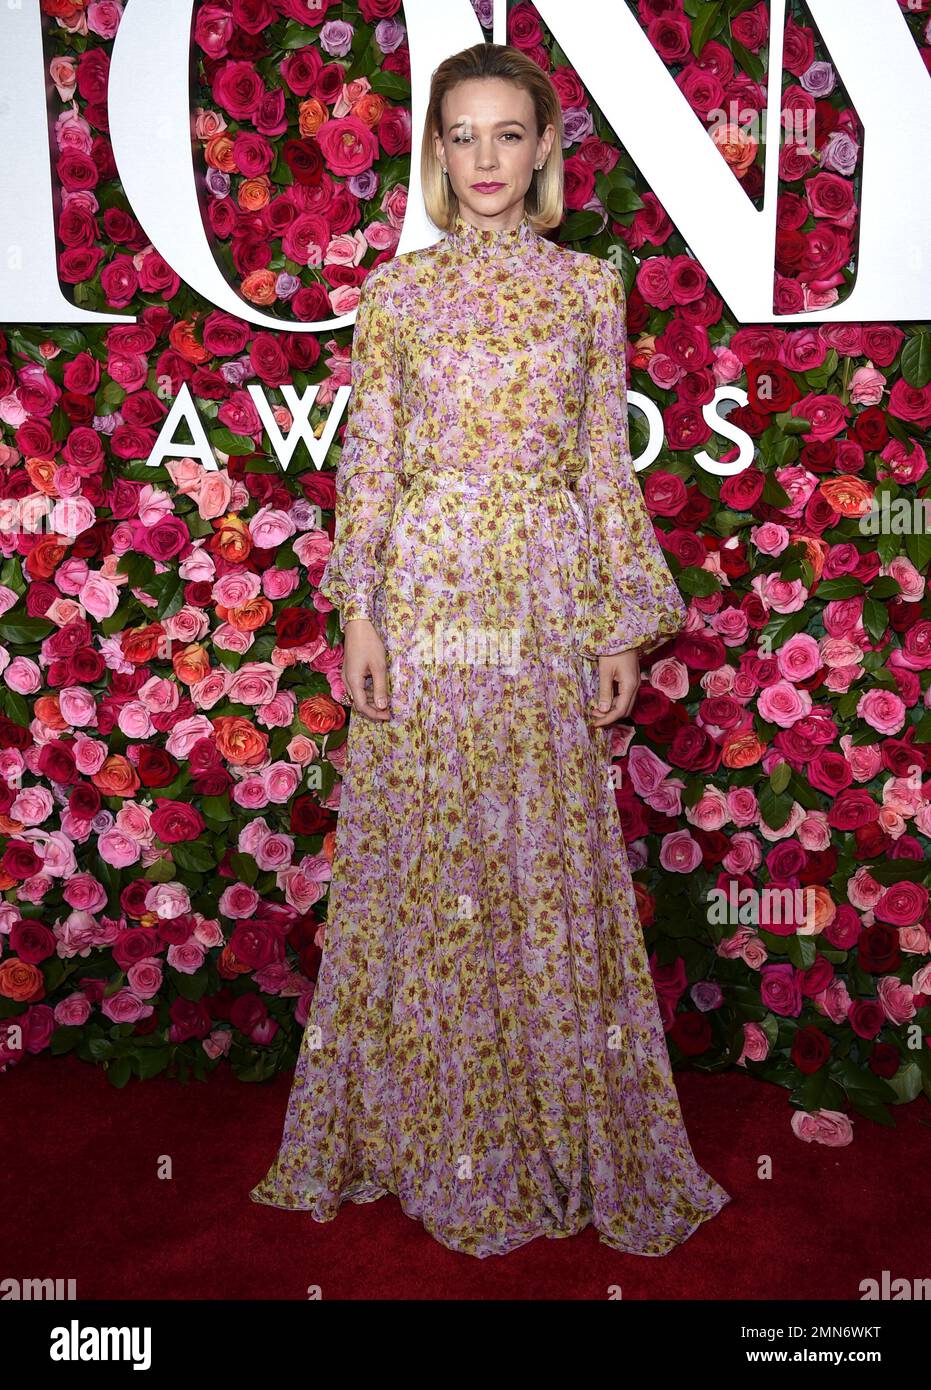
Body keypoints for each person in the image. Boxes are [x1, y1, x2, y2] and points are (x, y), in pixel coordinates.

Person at [249, 41, 731, 1258]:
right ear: (432, 153)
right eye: (460, 135)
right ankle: (427, 1123)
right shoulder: (398, 296)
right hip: (425, 584)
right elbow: (372, 464)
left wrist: (621, 617)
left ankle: (554, 1122)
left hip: (544, 588)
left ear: (544, 151)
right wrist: (358, 608)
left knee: (538, 846)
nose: (483, 159)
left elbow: (597, 466)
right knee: (430, 846)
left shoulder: (586, 289)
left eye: (507, 134)